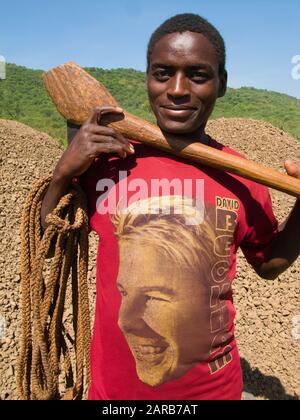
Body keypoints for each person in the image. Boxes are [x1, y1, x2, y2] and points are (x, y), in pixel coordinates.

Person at [41, 13, 300, 400]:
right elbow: (48, 238)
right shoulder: (108, 162)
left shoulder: (244, 178)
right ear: (146, 78)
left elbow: (270, 265)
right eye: (162, 73)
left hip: (213, 392)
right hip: (113, 395)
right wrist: (63, 173)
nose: (177, 89)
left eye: (197, 75)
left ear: (222, 84)